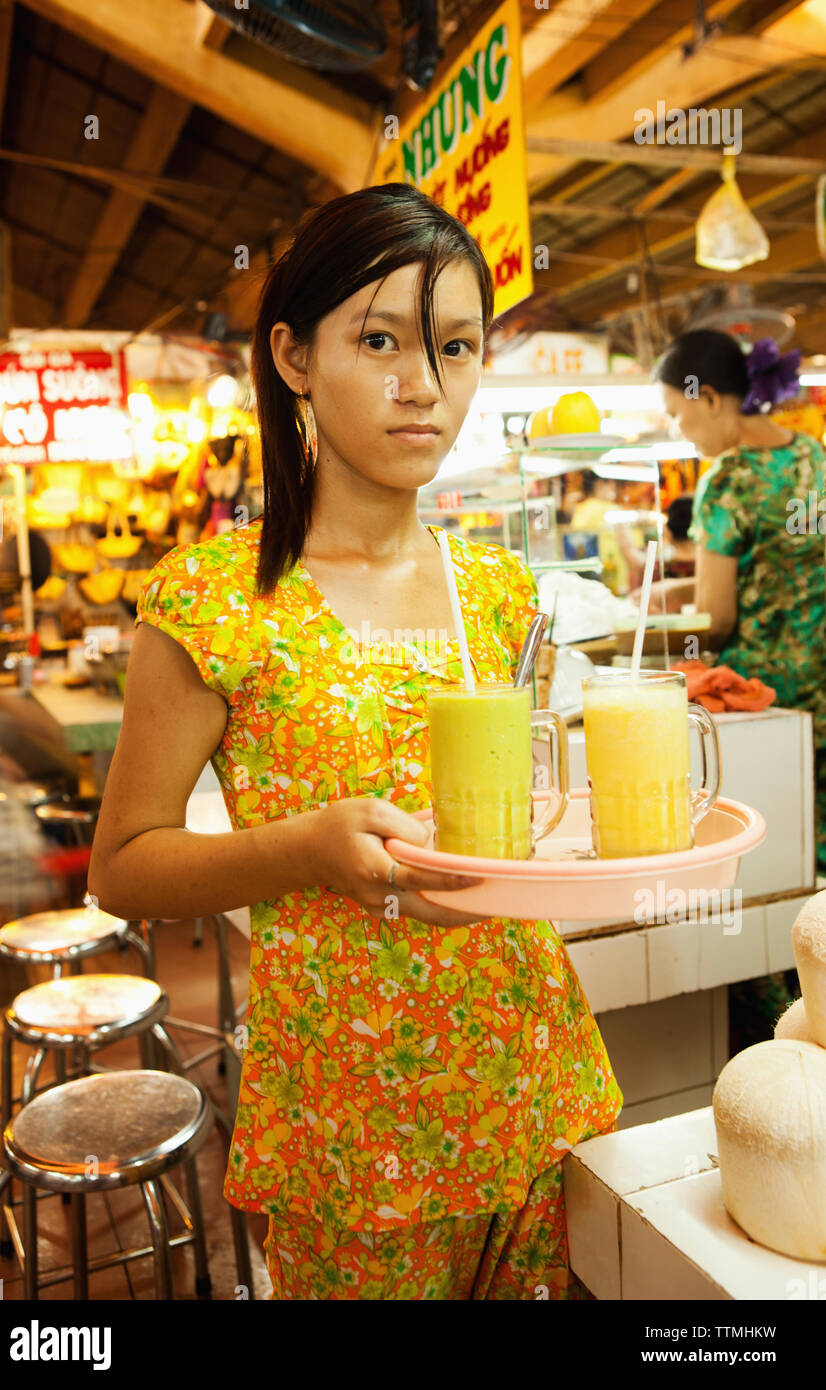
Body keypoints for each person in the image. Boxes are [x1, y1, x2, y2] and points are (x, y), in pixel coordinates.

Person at [89, 183, 622, 1301]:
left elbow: (514, 815)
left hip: (527, 1076)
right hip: (351, 1114)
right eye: (378, 339)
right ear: (292, 356)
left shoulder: (495, 586)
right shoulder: (214, 598)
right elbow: (124, 866)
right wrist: (306, 849)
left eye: (454, 347)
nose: (421, 385)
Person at [647, 328, 825, 1045]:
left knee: (765, 882)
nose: (682, 431)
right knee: (818, 868)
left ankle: (776, 1039)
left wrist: (659, 610)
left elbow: (718, 621)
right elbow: (782, 572)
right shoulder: (813, 456)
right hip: (823, 699)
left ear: (712, 399)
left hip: (763, 708)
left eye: (680, 415)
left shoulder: (728, 482)